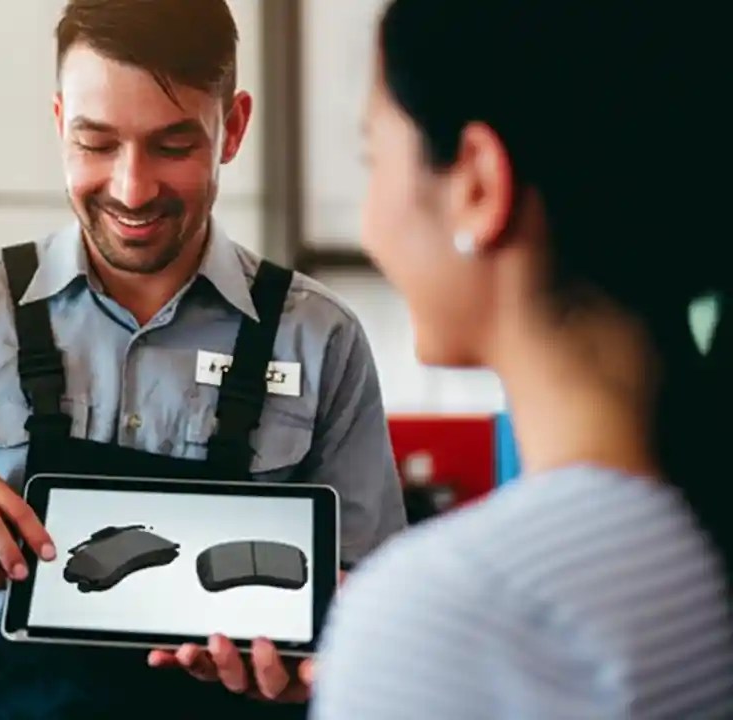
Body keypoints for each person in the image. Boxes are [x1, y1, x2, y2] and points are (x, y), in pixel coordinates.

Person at [0, 0, 407, 717]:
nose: (132, 190)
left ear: (231, 128)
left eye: (173, 146)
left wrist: (319, 661)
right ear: (58, 124)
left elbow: (378, 603)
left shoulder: (320, 339)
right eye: (96, 144)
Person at [309, 0, 733, 717]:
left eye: (373, 158)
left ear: (478, 184)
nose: (370, 223)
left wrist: (390, 660)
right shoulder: (691, 531)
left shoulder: (453, 607)